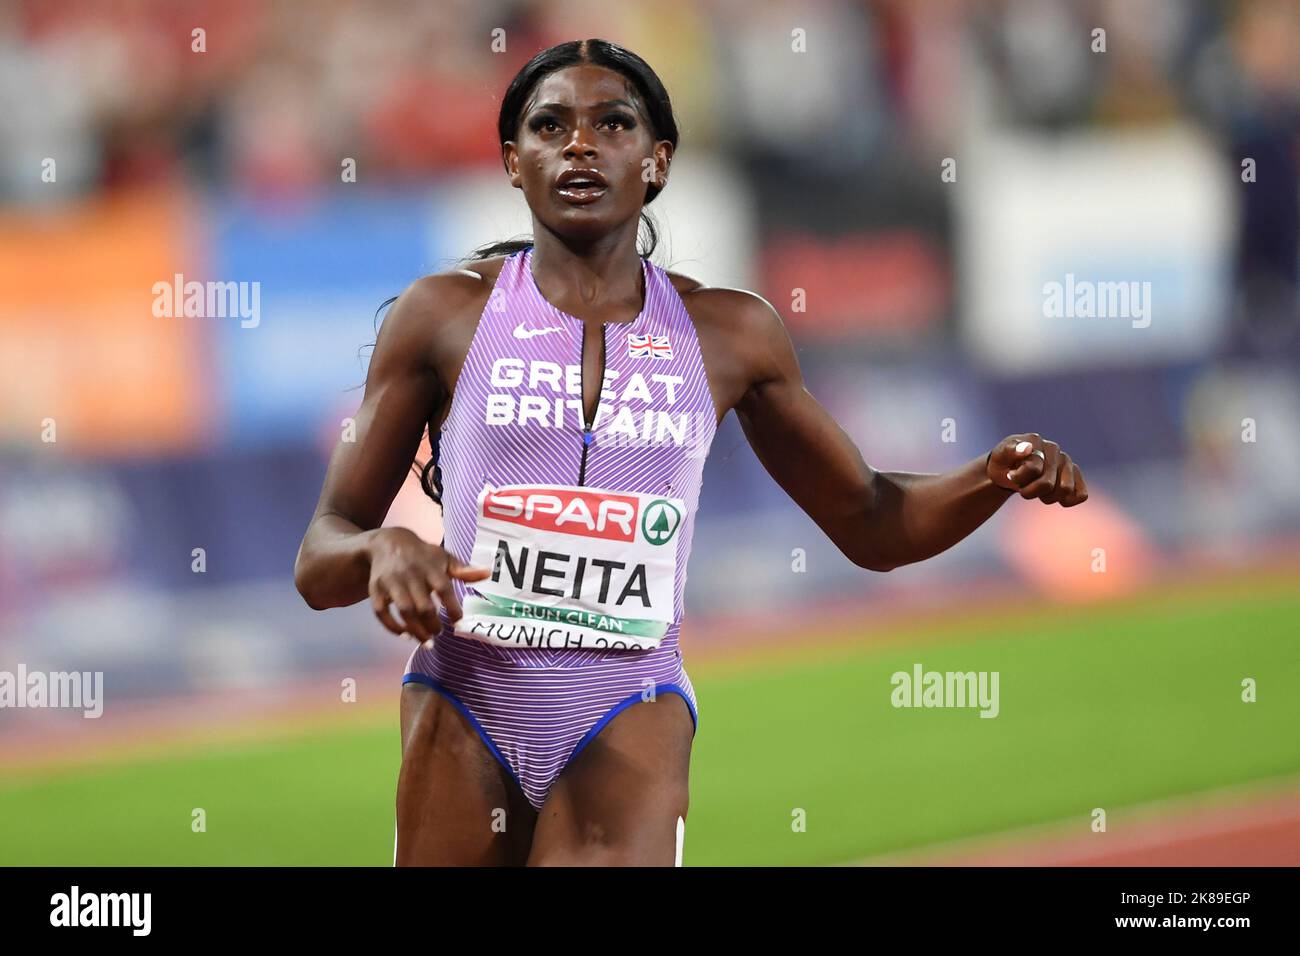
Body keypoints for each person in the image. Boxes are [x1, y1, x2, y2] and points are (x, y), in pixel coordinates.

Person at [293, 38, 1088, 867]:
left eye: (613, 124)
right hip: (465, 696)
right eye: (549, 126)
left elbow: (873, 521)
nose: (579, 145)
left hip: (626, 706)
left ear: (658, 160)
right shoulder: (441, 318)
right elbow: (321, 554)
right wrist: (384, 547)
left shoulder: (730, 335)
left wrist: (991, 477)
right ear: (511, 162)